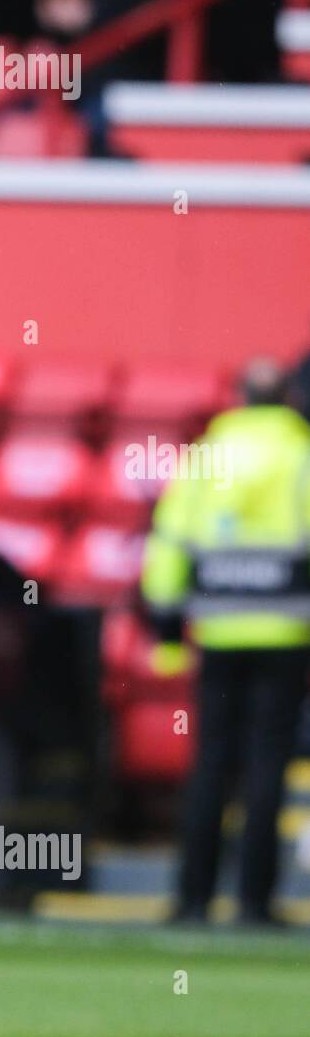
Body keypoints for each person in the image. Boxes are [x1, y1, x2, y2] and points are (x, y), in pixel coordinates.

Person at [141, 358, 310, 928]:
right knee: (267, 767)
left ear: (239, 395)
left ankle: (192, 899)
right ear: (285, 397)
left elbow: (169, 542)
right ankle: (255, 903)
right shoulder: (301, 454)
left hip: (217, 629)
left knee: (211, 764)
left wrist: (167, 630)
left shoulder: (207, 455)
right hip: (286, 631)